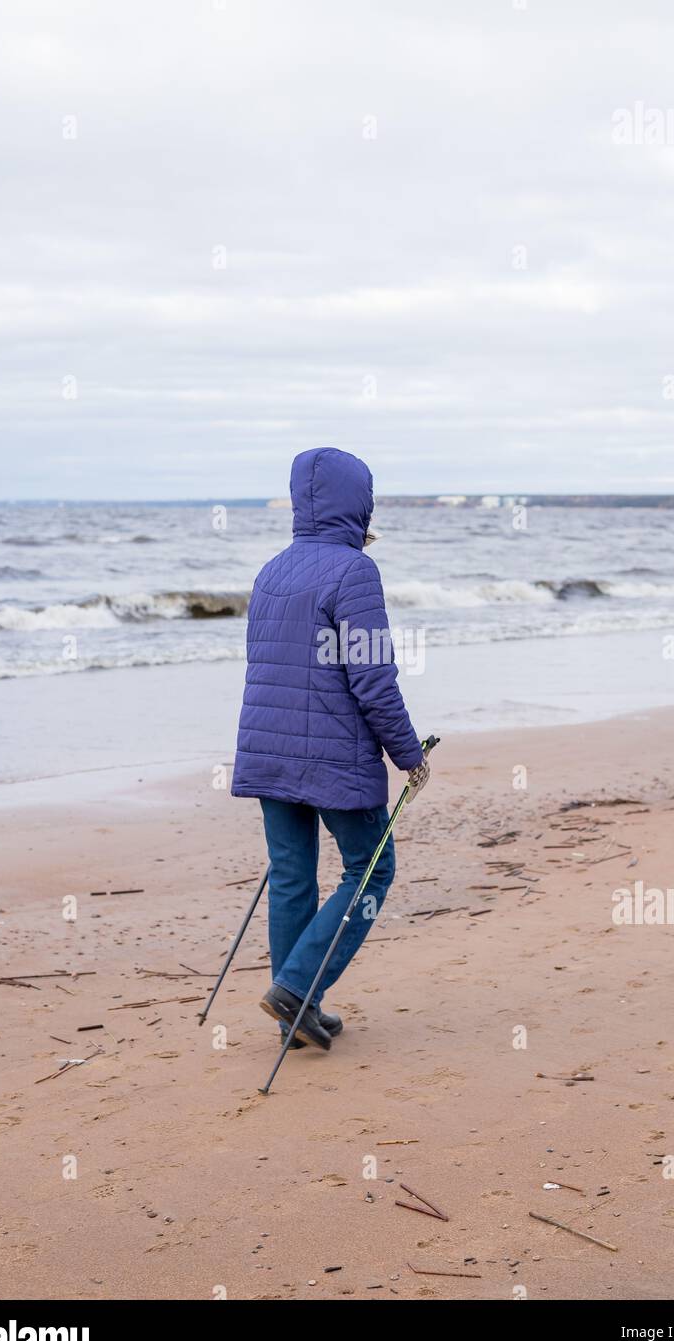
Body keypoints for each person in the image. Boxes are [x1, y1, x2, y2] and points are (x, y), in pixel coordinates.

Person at [231, 446, 429, 1050]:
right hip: (333, 756)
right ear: (358, 502)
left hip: (267, 749)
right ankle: (296, 987)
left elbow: (266, 664)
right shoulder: (354, 572)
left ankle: (296, 1007)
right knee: (372, 869)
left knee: (292, 876)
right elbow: (372, 676)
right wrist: (408, 753)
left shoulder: (271, 570)